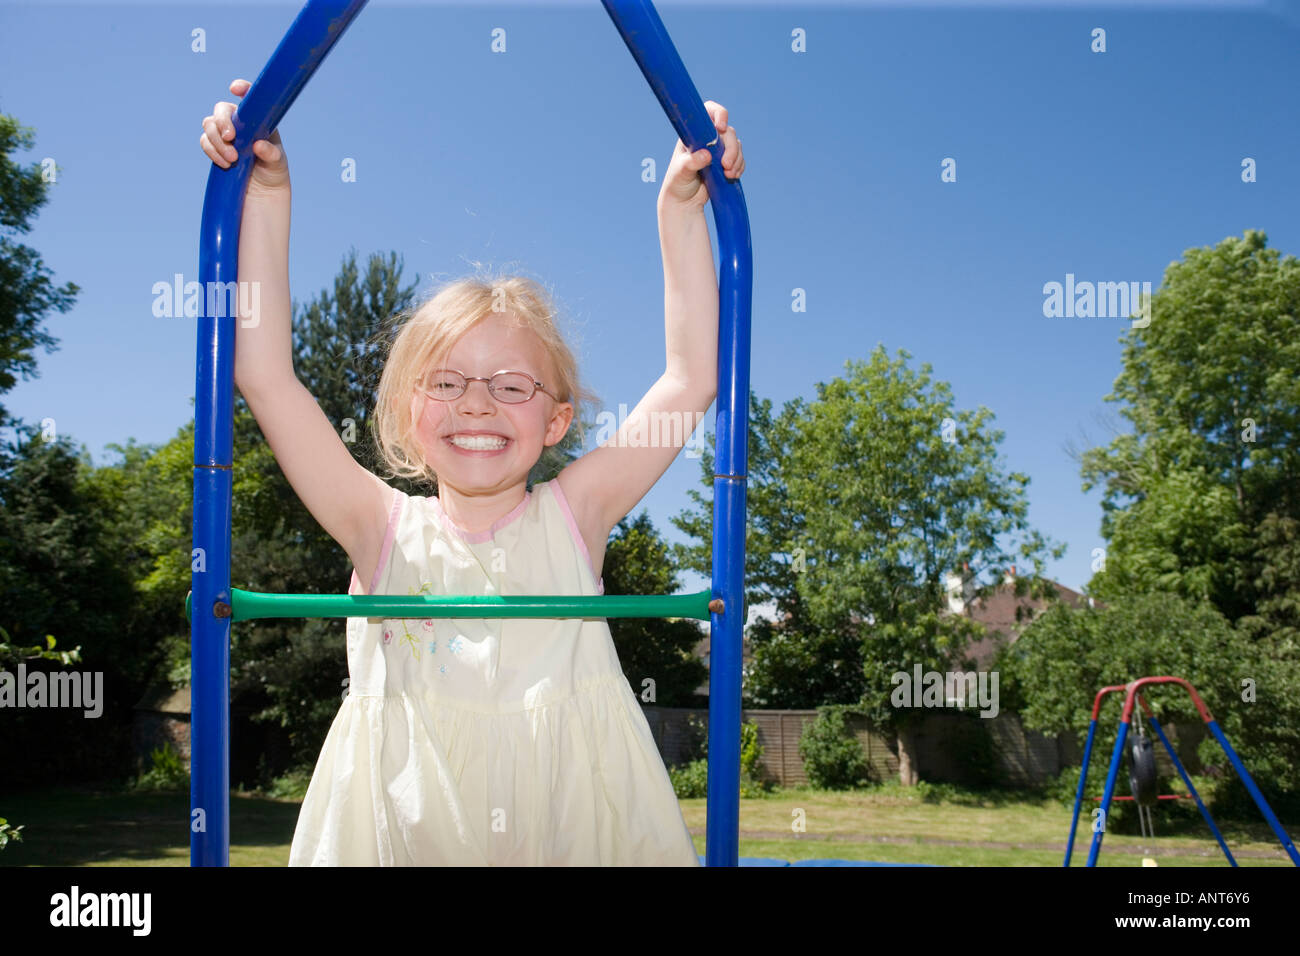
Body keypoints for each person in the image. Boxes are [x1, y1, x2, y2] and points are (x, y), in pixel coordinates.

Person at [199, 78, 745, 865]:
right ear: (407, 413)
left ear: (556, 419)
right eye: (446, 383)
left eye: (512, 385)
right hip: (407, 828)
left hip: (570, 826)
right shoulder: (376, 525)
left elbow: (692, 375)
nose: (478, 406)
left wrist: (682, 211)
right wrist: (265, 191)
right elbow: (263, 371)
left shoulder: (576, 513)